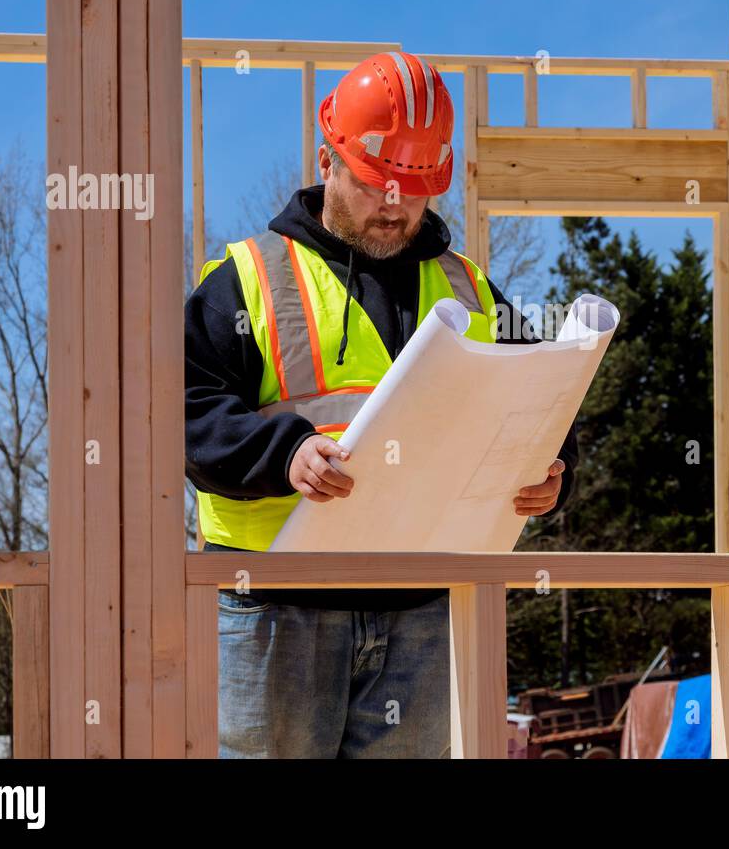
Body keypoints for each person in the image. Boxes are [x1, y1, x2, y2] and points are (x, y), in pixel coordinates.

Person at [184, 51, 579, 758]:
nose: (394, 205)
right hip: (277, 608)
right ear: (326, 160)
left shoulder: (470, 290)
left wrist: (555, 469)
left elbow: (544, 396)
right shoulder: (248, 278)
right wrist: (286, 452)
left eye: (415, 188)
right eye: (377, 184)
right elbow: (184, 414)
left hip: (420, 614)